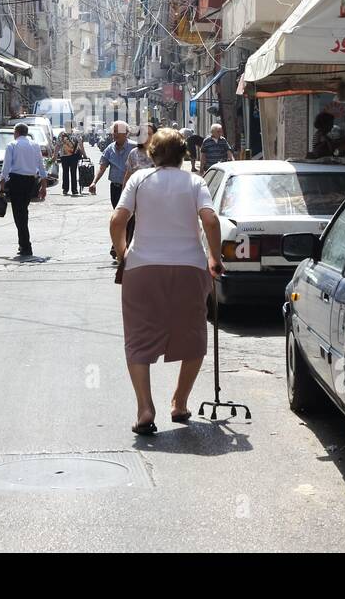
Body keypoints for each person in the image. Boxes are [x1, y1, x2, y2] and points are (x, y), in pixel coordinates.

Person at [110, 128, 224, 435]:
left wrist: (123, 254)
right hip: (189, 266)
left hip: (142, 266)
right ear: (184, 154)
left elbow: (118, 220)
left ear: (152, 153)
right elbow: (210, 220)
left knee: (138, 338)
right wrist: (214, 257)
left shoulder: (139, 180)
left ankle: (145, 408)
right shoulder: (195, 182)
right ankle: (179, 401)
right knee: (193, 335)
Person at [0, 123, 48, 257]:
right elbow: (41, 166)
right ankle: (23, 244)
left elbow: (6, 167)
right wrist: (43, 185)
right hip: (30, 182)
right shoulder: (35, 145)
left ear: (17, 132)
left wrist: (1, 185)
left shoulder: (12, 145)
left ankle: (26, 246)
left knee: (19, 214)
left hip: (16, 181)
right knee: (22, 212)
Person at [91, 121, 135, 257]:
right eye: (113, 131)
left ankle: (120, 246)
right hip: (115, 188)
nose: (114, 134)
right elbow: (102, 167)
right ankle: (121, 245)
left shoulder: (134, 148)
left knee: (129, 218)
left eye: (118, 131)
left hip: (132, 189)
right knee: (121, 217)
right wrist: (94, 182)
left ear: (126, 133)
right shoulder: (110, 148)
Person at [58, 127, 84, 196]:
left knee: (65, 172)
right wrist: (84, 154)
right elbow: (81, 144)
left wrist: (54, 155)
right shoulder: (76, 134)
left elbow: (58, 145)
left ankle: (65, 189)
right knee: (73, 172)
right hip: (74, 156)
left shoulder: (62, 134)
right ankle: (74, 190)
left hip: (64, 156)